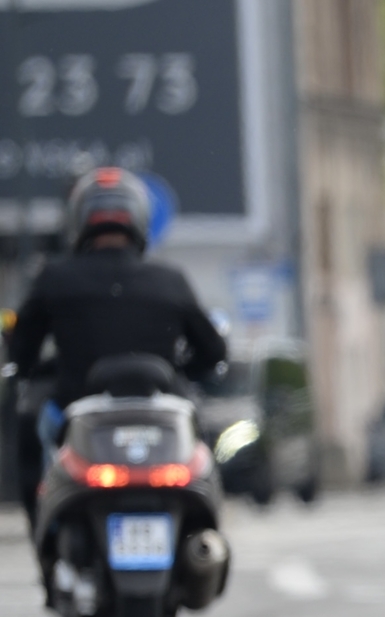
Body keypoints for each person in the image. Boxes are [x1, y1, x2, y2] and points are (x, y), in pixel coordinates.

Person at [5, 168, 226, 520]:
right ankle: (207, 524)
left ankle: (42, 535)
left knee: (33, 429)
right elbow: (213, 352)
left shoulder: (55, 278)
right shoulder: (169, 280)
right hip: (162, 417)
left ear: (79, 220)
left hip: (78, 416)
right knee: (203, 443)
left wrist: (34, 369)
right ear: (139, 219)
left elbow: (22, 353)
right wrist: (181, 370)